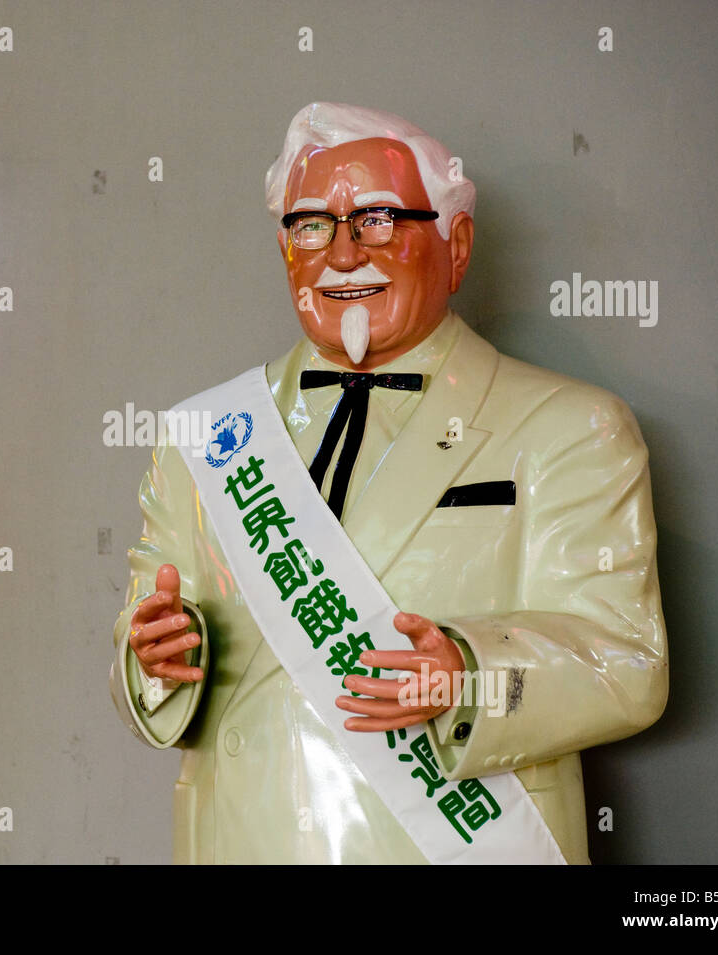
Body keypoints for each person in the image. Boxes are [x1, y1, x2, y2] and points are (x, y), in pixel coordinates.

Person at [109, 102, 667, 864]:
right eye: (311, 225)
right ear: (285, 250)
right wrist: (150, 657)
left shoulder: (570, 426)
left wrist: (468, 676)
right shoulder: (204, 435)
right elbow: (143, 636)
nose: (342, 255)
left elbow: (628, 664)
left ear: (456, 245)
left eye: (376, 220)